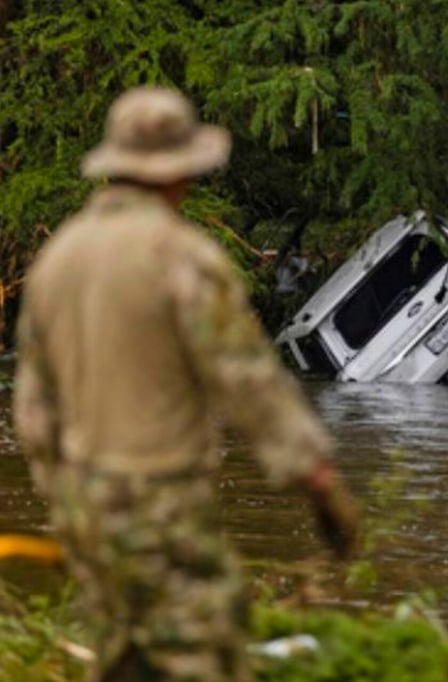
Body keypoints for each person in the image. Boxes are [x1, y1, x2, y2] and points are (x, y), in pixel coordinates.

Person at [13, 86, 359, 682]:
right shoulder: (182, 257)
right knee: (203, 654)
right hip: (161, 501)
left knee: (123, 654)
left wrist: (63, 493)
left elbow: (33, 407)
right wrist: (317, 476)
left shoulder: (57, 260)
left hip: (82, 504)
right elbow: (247, 380)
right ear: (180, 173)